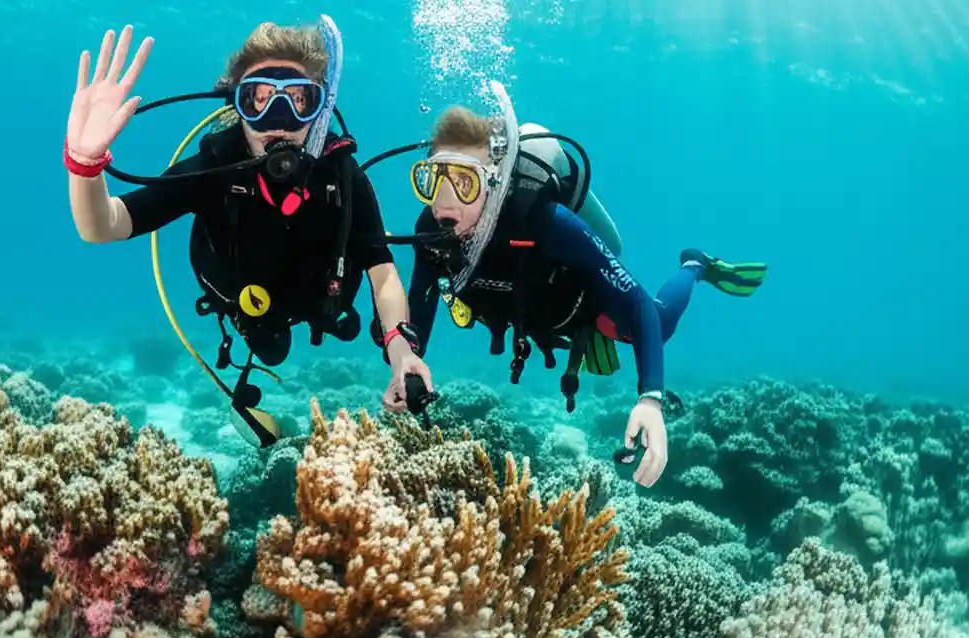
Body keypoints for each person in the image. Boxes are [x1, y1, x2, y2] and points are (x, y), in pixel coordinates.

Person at [365, 81, 767, 487]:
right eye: (433, 180)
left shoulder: (542, 220)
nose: (445, 202)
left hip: (576, 306)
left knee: (657, 326)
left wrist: (651, 397)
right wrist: (406, 362)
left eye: (465, 181)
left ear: (493, 182)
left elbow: (638, 302)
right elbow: (419, 309)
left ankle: (694, 265)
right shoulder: (430, 233)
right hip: (519, 314)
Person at [62, 21, 434, 447]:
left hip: (316, 297)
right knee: (270, 347)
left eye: (298, 100)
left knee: (311, 324)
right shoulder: (214, 169)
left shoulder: (340, 174)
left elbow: (380, 268)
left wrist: (400, 348)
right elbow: (102, 225)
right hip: (245, 300)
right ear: (236, 104)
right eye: (258, 99)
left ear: (320, 108)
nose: (279, 121)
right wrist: (84, 164)